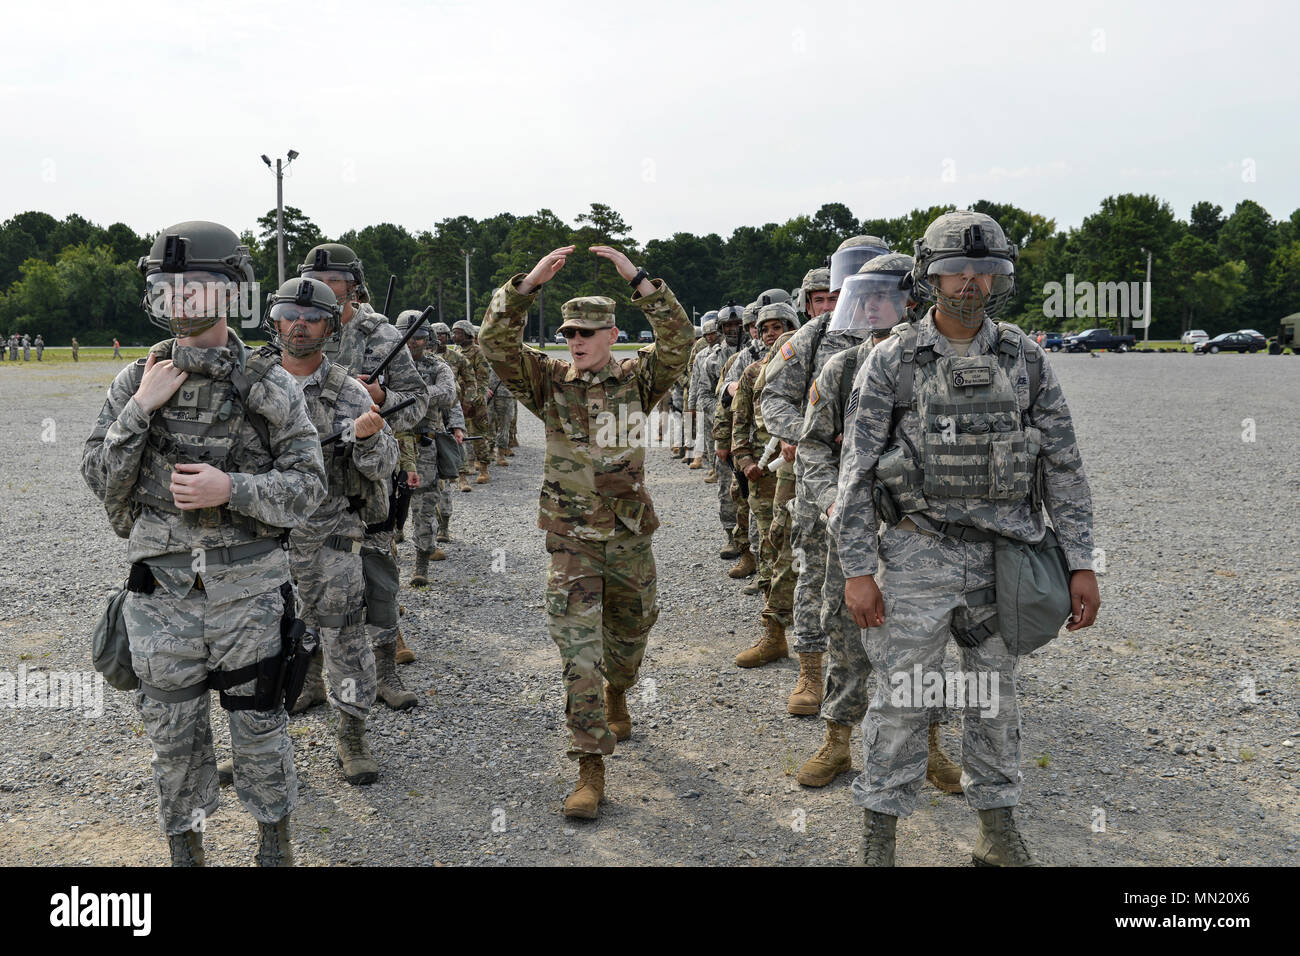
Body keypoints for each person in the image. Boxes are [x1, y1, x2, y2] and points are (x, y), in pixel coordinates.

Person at [834, 211, 1101, 866]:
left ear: (1000, 278)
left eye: (985, 270)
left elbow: (1061, 466)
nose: (971, 283)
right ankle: (878, 839)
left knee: (994, 696)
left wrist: (1080, 563)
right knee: (902, 698)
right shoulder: (892, 360)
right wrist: (858, 569)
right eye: (957, 270)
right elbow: (855, 472)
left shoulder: (1024, 359)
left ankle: (997, 831)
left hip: (1003, 556)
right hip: (917, 551)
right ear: (930, 276)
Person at [81, 221, 326, 866]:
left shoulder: (270, 387)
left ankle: (274, 847)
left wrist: (232, 488)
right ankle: (184, 851)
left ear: (230, 292)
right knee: (173, 735)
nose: (180, 300)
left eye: (196, 287)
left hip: (247, 592)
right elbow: (102, 482)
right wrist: (139, 410)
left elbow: (309, 489)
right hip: (161, 594)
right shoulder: (135, 381)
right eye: (168, 287)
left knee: (260, 727)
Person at [479, 244, 691, 820]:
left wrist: (639, 278)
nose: (577, 340)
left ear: (612, 334)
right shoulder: (548, 382)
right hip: (571, 537)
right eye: (571, 331)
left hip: (627, 535)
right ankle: (589, 768)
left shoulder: (637, 380)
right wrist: (525, 289)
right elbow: (493, 344)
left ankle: (621, 693)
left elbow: (679, 342)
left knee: (630, 634)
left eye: (589, 333)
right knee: (580, 654)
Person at [795, 254, 960, 792]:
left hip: (919, 533)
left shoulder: (938, 366)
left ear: (911, 299)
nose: (869, 306)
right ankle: (838, 740)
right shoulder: (840, 368)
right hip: (854, 530)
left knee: (925, 639)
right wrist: (832, 504)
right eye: (861, 296)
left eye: (880, 296)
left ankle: (930, 745)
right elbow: (813, 447)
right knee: (846, 631)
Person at [266, 276, 398, 784]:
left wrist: (367, 438)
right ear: (275, 320)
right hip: (262, 536)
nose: (299, 325)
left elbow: (383, 463)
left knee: (344, 634)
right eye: (290, 315)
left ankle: (351, 734)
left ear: (327, 325)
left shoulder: (349, 390)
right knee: (258, 641)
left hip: (330, 533)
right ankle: (261, 742)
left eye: (312, 317)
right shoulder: (250, 383)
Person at [760, 239, 888, 708]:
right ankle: (811, 673)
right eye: (825, 295)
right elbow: (773, 396)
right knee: (815, 573)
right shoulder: (813, 337)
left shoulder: (906, 333)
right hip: (821, 480)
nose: (835, 302)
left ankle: (892, 682)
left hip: (888, 483)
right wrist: (808, 432)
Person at [303, 242, 429, 711]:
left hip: (367, 484)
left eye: (332, 280)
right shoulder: (296, 327)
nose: (320, 289)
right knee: (307, 584)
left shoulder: (378, 333)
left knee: (377, 577)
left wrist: (379, 399)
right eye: (313, 279)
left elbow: (417, 402)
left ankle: (385, 674)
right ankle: (312, 678)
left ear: (352, 285)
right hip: (308, 483)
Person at [395, 310, 461, 583]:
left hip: (423, 443)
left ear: (428, 339)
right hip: (392, 442)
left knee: (424, 504)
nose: (413, 343)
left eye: (419, 338)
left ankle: (421, 561)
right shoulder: (387, 365)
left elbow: (449, 394)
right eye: (407, 337)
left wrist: (417, 396)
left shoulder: (437, 367)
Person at [451, 319, 494, 485]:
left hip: (475, 401)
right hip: (459, 400)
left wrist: (479, 396)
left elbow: (483, 377)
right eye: (454, 332)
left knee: (478, 434)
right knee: (460, 433)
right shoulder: (456, 351)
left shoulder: (477, 352)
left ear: (468, 334)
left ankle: (483, 467)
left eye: (458, 333)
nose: (454, 336)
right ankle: (465, 466)